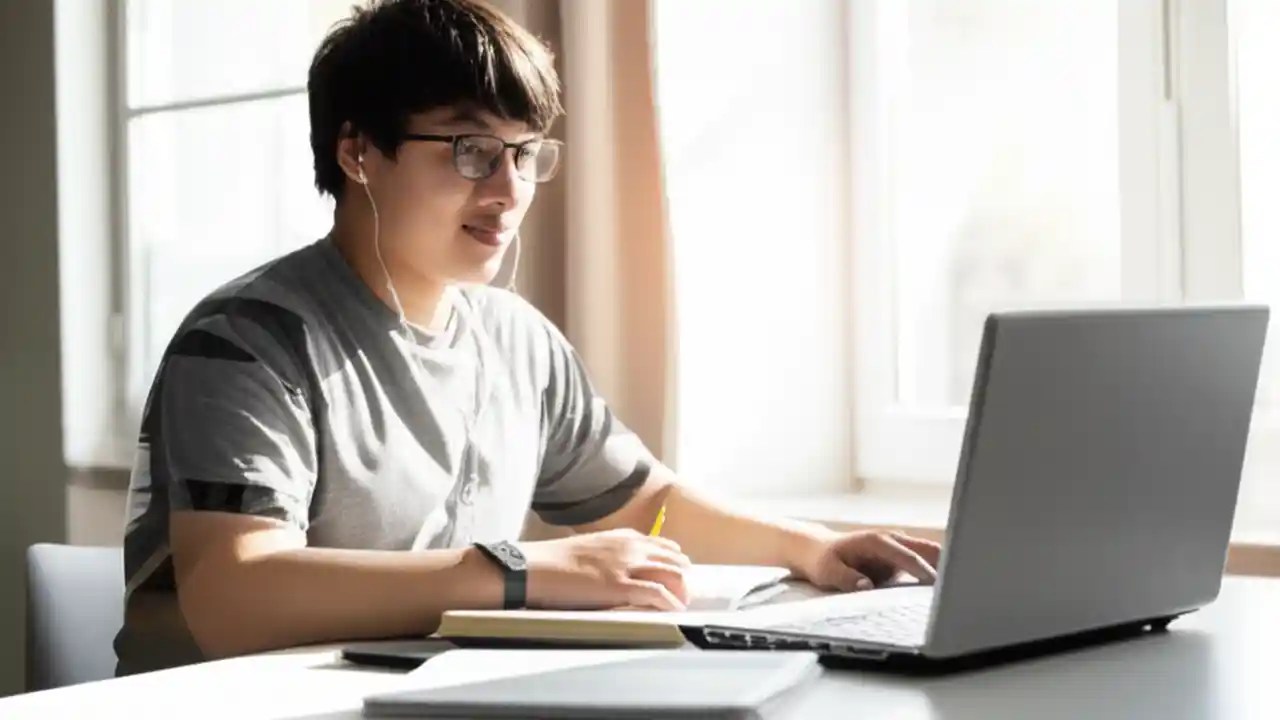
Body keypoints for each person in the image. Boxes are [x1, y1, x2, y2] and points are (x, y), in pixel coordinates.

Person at [115, 0, 941, 675]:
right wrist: (521, 571)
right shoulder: (247, 342)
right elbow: (235, 598)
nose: (510, 189)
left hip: (422, 697)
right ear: (358, 151)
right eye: (473, 151)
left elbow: (644, 504)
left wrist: (814, 548)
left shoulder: (516, 340)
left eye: (525, 153)